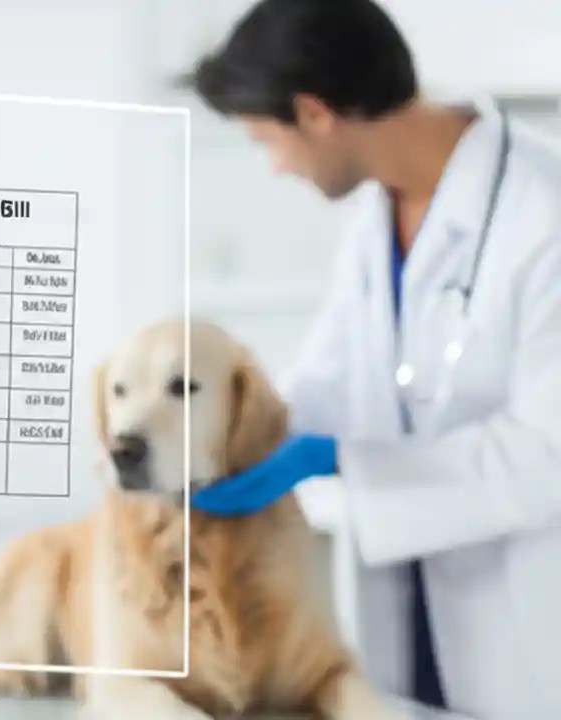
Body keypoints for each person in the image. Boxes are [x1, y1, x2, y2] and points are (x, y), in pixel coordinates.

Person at [185, 1, 561, 717]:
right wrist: (236, 439)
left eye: (269, 141)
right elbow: (328, 380)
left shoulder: (546, 212)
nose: (275, 166)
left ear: (316, 113)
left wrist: (345, 459)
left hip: (534, 639)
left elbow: (550, 455)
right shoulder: (372, 217)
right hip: (405, 637)